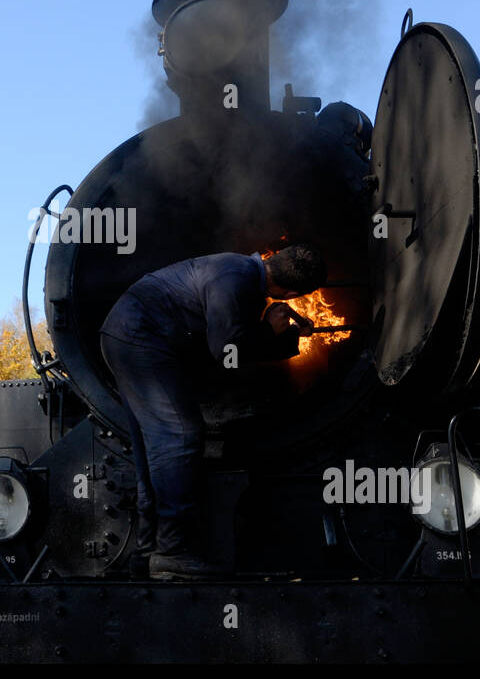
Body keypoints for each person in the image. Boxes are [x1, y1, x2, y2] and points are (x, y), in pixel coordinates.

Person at [99, 244, 326, 580]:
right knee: (180, 436)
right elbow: (226, 353)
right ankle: (173, 553)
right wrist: (270, 332)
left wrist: (284, 335)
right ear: (292, 292)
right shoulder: (235, 279)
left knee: (152, 447)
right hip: (140, 339)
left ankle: (146, 552)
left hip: (126, 336)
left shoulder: (240, 272)